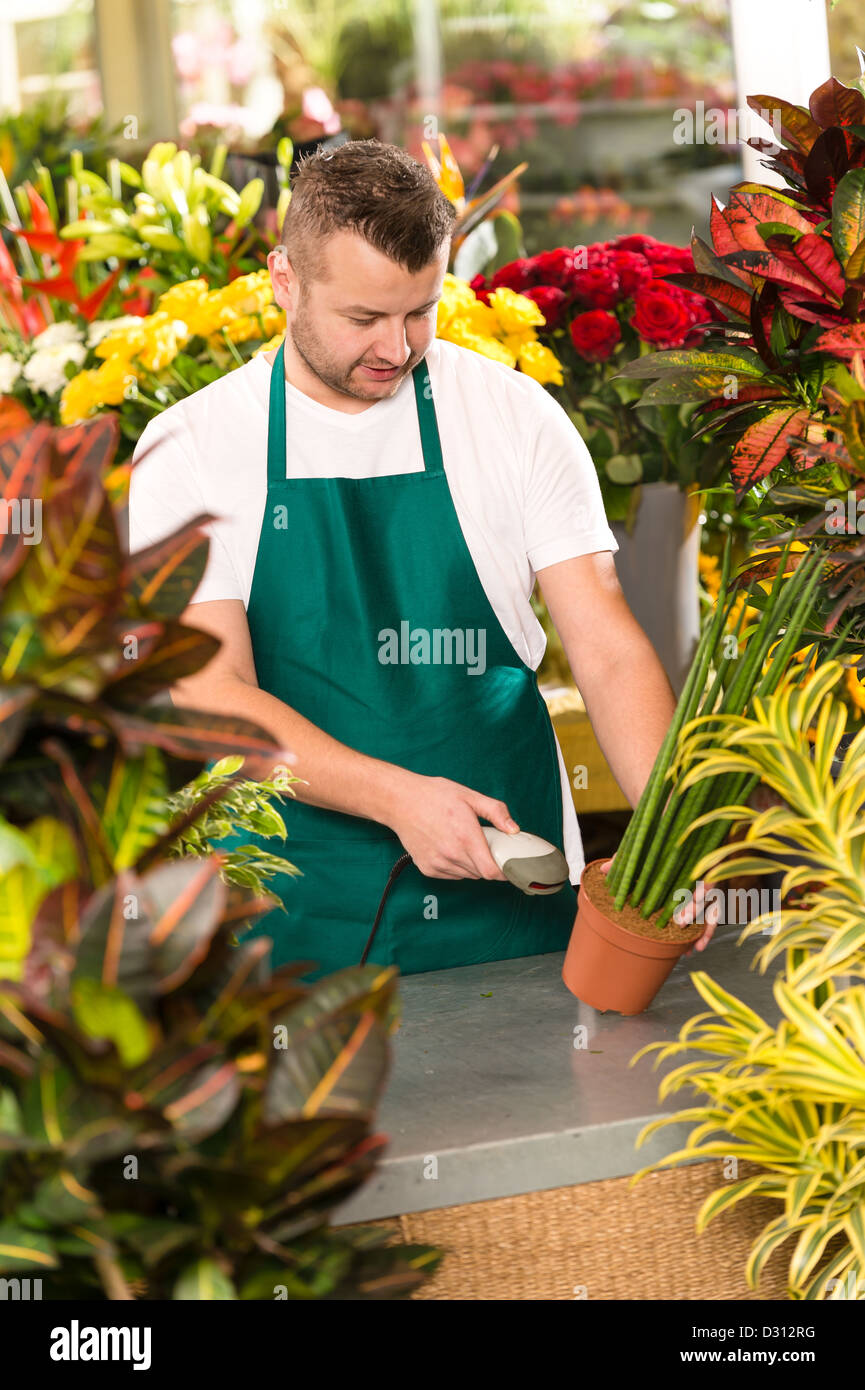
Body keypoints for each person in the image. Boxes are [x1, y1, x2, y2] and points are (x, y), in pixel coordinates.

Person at [129, 138, 716, 981]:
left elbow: (608, 648)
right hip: (293, 911)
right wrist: (397, 798)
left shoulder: (514, 418)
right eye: (363, 318)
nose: (396, 348)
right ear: (283, 282)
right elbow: (207, 692)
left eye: (419, 311)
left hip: (510, 898)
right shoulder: (190, 448)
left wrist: (672, 837)